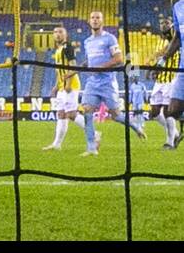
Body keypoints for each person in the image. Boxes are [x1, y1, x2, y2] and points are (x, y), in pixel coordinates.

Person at [80, 10, 145, 156]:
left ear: (102, 21)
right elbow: (88, 62)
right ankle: (91, 148)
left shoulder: (110, 38)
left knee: (115, 115)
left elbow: (119, 59)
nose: (95, 20)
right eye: (92, 18)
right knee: (87, 112)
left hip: (108, 82)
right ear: (89, 21)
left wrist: (99, 68)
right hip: (92, 82)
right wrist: (72, 71)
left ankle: (135, 126)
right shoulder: (87, 42)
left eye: (98, 18)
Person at [41, 24, 87, 151]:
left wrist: (67, 84)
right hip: (62, 86)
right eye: (55, 32)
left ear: (65, 34)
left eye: (60, 32)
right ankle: (57, 144)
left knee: (71, 114)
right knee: (61, 114)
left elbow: (73, 66)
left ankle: (94, 134)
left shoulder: (68, 47)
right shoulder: (58, 49)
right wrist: (56, 86)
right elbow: (59, 70)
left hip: (70, 85)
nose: (57, 34)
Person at [148, 23, 179, 148]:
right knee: (154, 112)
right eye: (161, 24)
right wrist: (152, 69)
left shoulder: (177, 42)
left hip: (171, 80)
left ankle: (169, 142)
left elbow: (165, 52)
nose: (163, 26)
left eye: (166, 24)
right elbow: (158, 58)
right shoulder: (159, 41)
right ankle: (175, 132)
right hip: (159, 80)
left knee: (167, 112)